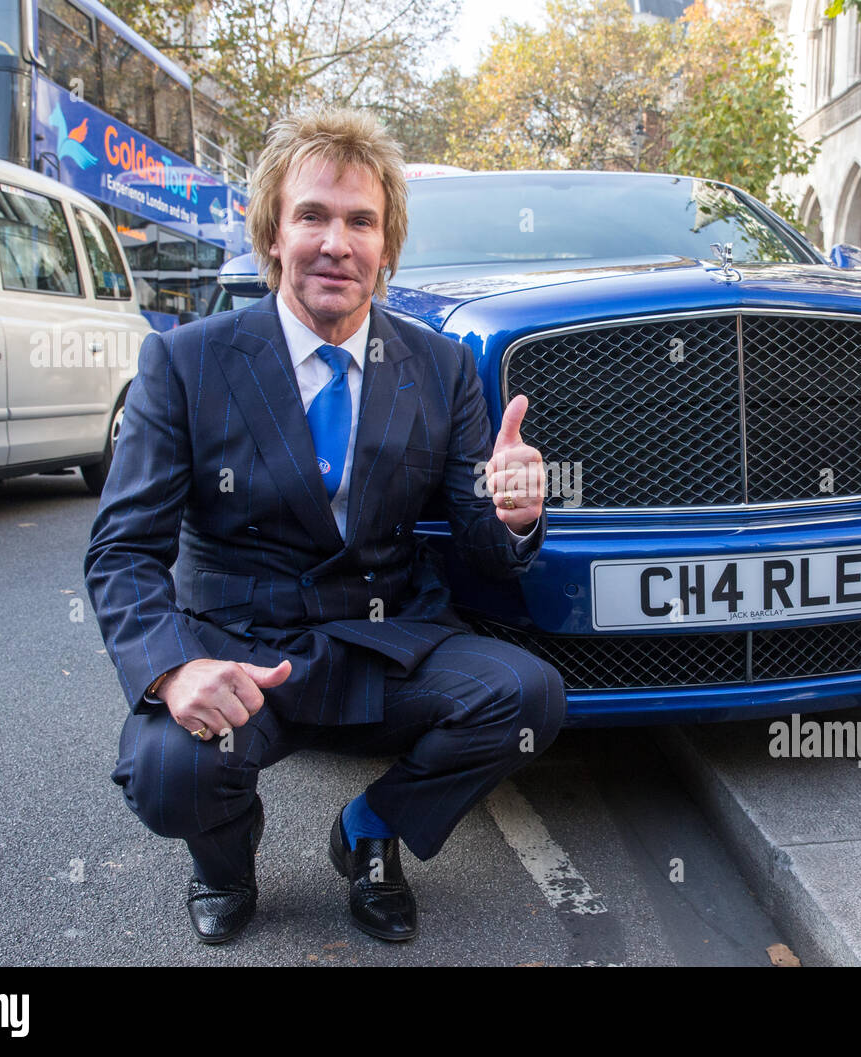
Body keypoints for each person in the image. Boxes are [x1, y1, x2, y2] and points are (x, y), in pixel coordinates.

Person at [83, 106, 567, 945]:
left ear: (386, 247)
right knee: (170, 769)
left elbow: (486, 552)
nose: (336, 242)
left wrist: (516, 515)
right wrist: (171, 671)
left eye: (360, 221)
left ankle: (371, 832)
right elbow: (123, 550)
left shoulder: (440, 367)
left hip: (383, 645)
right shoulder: (186, 362)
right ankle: (226, 859)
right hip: (240, 645)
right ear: (274, 232)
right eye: (312, 216)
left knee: (528, 695)